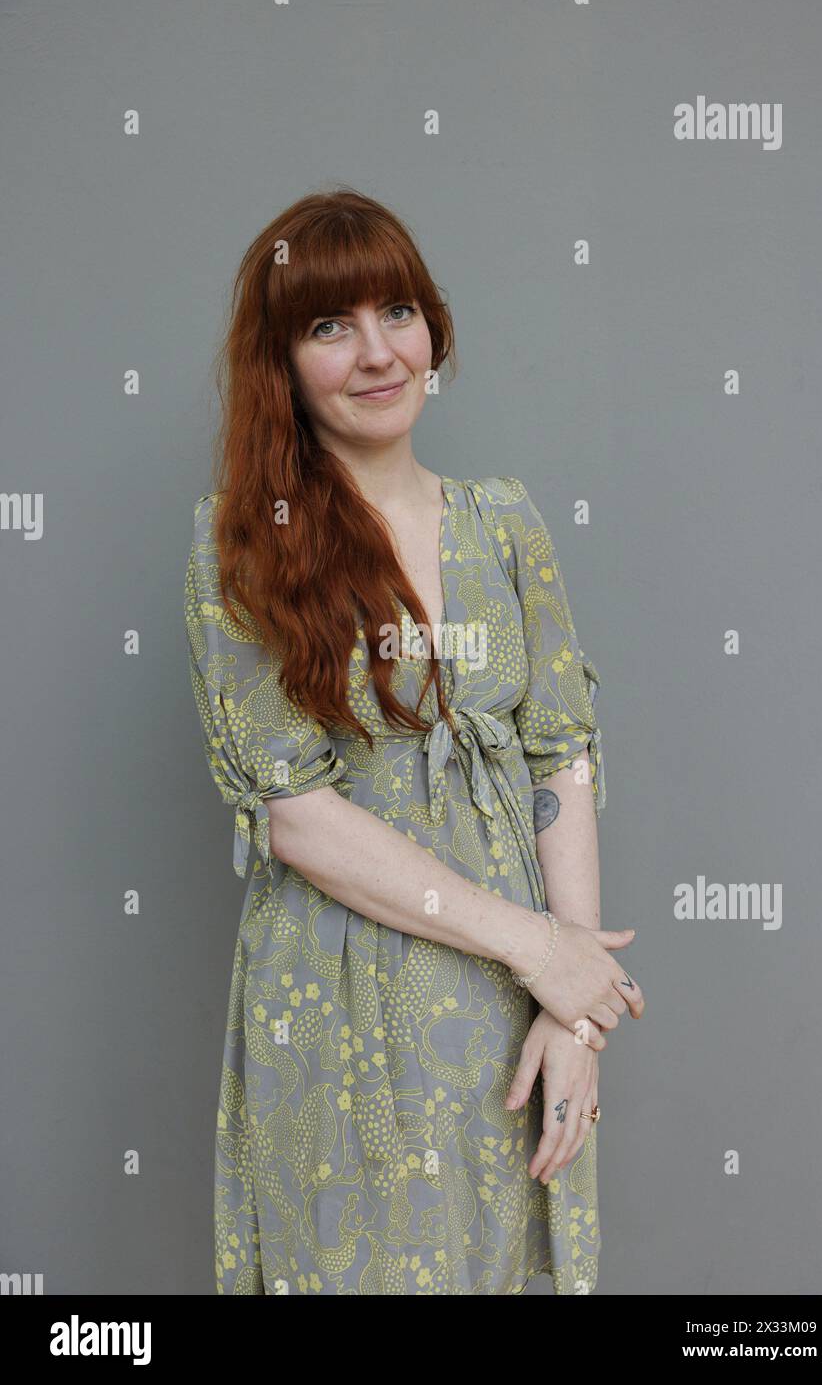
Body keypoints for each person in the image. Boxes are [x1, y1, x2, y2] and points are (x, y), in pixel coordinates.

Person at [184, 187, 644, 1296]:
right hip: (339, 990)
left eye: (398, 310)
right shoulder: (240, 545)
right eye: (329, 325)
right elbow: (295, 814)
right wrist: (533, 945)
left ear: (435, 328)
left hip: (510, 999)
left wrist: (571, 993)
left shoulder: (505, 520)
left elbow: (558, 757)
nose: (378, 351)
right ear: (281, 365)